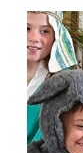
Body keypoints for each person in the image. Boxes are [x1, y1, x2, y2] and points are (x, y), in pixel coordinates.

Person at [26, 11, 78, 142]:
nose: (34, 38)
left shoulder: (65, 83)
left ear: (56, 36)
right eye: (26, 28)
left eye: (44, 31)